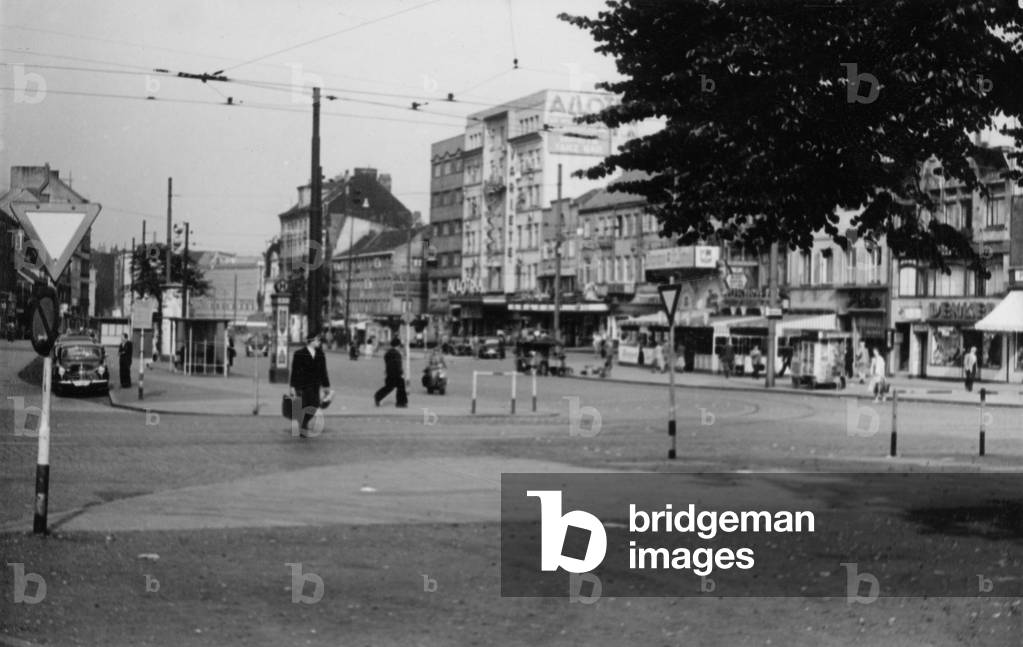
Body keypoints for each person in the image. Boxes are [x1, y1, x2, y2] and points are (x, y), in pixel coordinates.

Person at [289, 332, 331, 437]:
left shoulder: (320, 354)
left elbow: (323, 371)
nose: (319, 342)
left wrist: (326, 385)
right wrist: (292, 386)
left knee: (315, 405)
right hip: (303, 385)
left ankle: (303, 422)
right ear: (311, 341)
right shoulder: (299, 353)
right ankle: (303, 425)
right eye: (317, 340)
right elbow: (295, 371)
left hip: (315, 385)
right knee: (305, 405)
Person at [374, 337, 408, 408]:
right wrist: (401, 373)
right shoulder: (397, 354)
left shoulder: (388, 353)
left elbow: (388, 363)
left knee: (389, 387)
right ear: (398, 345)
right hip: (396, 374)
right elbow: (398, 364)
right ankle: (401, 402)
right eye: (399, 346)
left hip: (389, 373)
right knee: (401, 387)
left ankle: (378, 396)